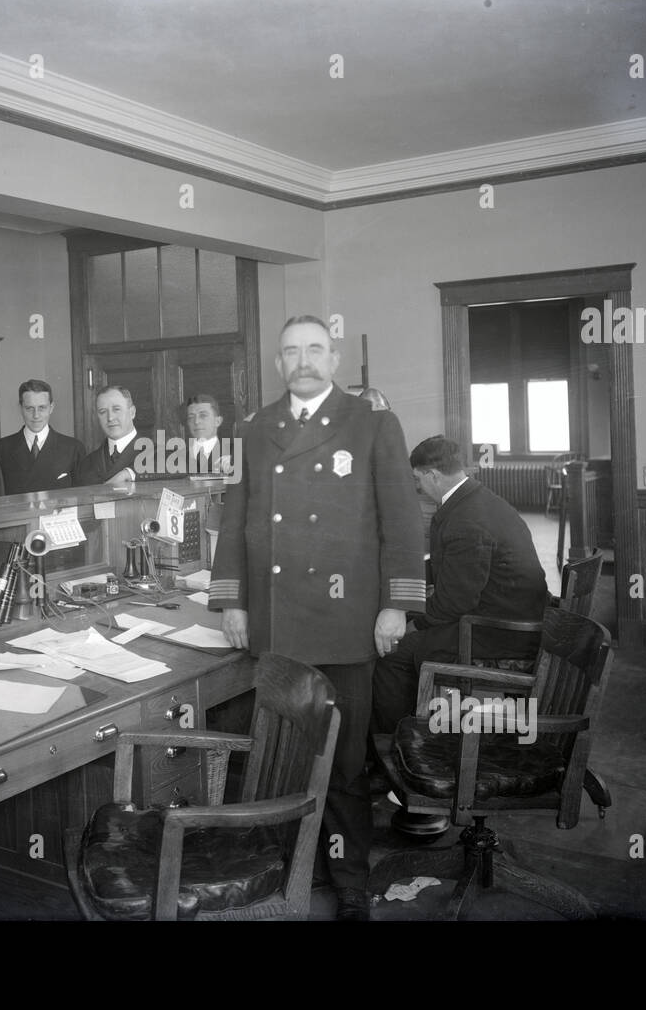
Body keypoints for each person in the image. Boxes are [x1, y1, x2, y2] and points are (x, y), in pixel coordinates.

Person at [208, 315, 426, 920]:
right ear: (278, 364)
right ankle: (280, 868)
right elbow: (234, 520)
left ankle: (350, 878)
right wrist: (233, 600)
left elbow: (402, 522)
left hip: (346, 622)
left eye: (314, 350)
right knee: (283, 752)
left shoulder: (373, 423)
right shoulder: (253, 429)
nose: (302, 361)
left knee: (345, 763)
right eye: (290, 352)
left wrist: (396, 604)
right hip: (278, 624)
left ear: (332, 359)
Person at [373, 434, 549, 737]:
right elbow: (455, 583)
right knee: (410, 629)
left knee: (394, 652)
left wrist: (410, 619)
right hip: (508, 617)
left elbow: (454, 603)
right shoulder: (476, 500)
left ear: (433, 475)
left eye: (418, 479)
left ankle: (395, 745)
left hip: (499, 634)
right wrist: (409, 596)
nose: (418, 486)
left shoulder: (467, 519)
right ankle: (417, 729)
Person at [0, 379, 86, 494]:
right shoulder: (1, 449)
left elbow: (81, 496)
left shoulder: (73, 448)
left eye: (42, 408)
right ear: (21, 408)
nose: (36, 415)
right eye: (29, 408)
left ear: (51, 408)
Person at [75, 386, 156, 486]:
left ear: (132, 412)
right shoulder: (86, 464)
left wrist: (128, 474)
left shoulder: (159, 454)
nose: (110, 418)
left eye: (116, 409)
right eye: (103, 412)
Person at [185, 393, 231, 475]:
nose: (196, 421)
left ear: (217, 421)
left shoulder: (235, 455)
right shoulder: (177, 458)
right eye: (191, 417)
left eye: (203, 415)